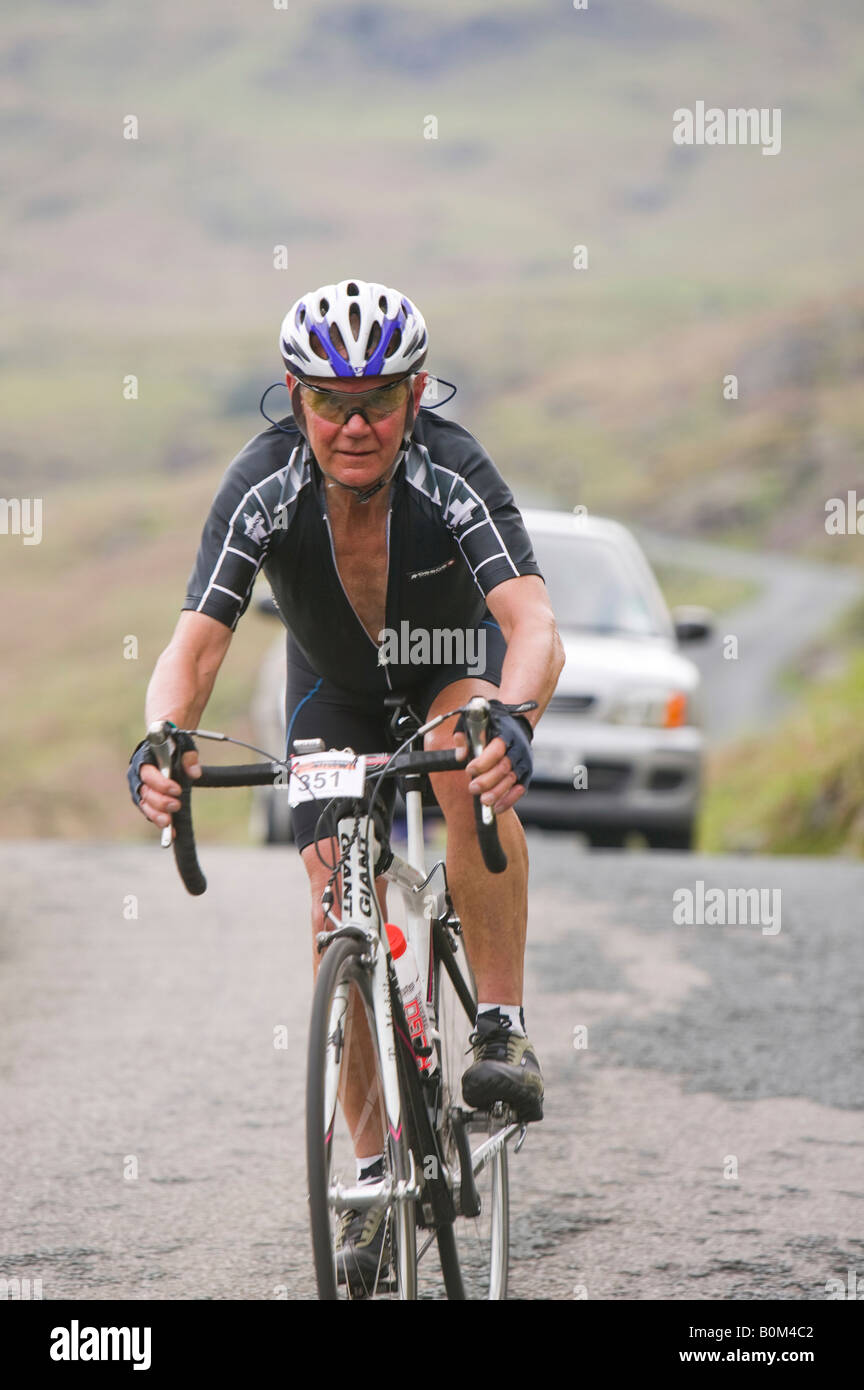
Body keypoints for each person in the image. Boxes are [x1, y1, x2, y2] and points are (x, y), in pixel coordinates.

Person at [128, 278, 564, 1282]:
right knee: (339, 900)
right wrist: (163, 736)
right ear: (294, 395)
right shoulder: (261, 481)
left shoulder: (452, 469)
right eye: (330, 400)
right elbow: (194, 645)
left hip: (447, 666)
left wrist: (514, 714)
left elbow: (532, 622)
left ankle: (500, 1024)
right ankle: (370, 1168)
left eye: (378, 398)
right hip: (333, 693)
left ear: (416, 396)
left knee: (471, 775)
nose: (355, 423)